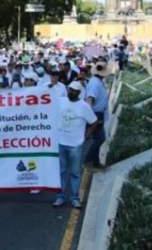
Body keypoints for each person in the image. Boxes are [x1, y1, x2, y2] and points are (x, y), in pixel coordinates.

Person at [54, 81, 98, 209]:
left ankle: (74, 198)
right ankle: (60, 197)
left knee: (75, 173)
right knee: (61, 172)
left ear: (79, 92)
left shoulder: (84, 106)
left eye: (73, 90)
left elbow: (94, 122)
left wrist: (86, 135)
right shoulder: (60, 101)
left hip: (75, 144)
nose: (71, 92)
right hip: (60, 142)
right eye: (70, 89)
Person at [83, 64, 109, 169]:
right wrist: (91, 118)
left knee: (97, 138)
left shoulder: (97, 82)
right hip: (95, 114)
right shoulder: (95, 83)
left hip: (98, 113)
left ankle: (95, 162)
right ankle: (88, 159)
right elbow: (89, 100)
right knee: (100, 138)